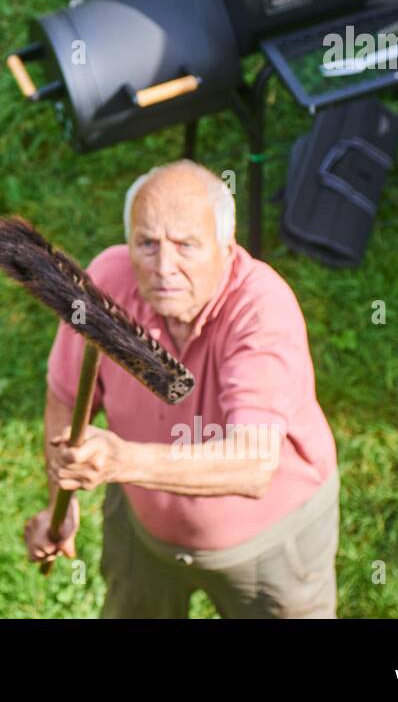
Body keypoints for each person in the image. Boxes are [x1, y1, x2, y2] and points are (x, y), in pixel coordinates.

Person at [23, 160, 340, 617]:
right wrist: (60, 502)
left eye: (186, 246)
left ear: (226, 248)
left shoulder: (261, 311)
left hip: (267, 546)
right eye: (147, 244)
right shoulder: (108, 283)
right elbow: (67, 394)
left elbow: (252, 464)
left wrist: (121, 460)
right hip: (142, 524)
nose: (163, 268)